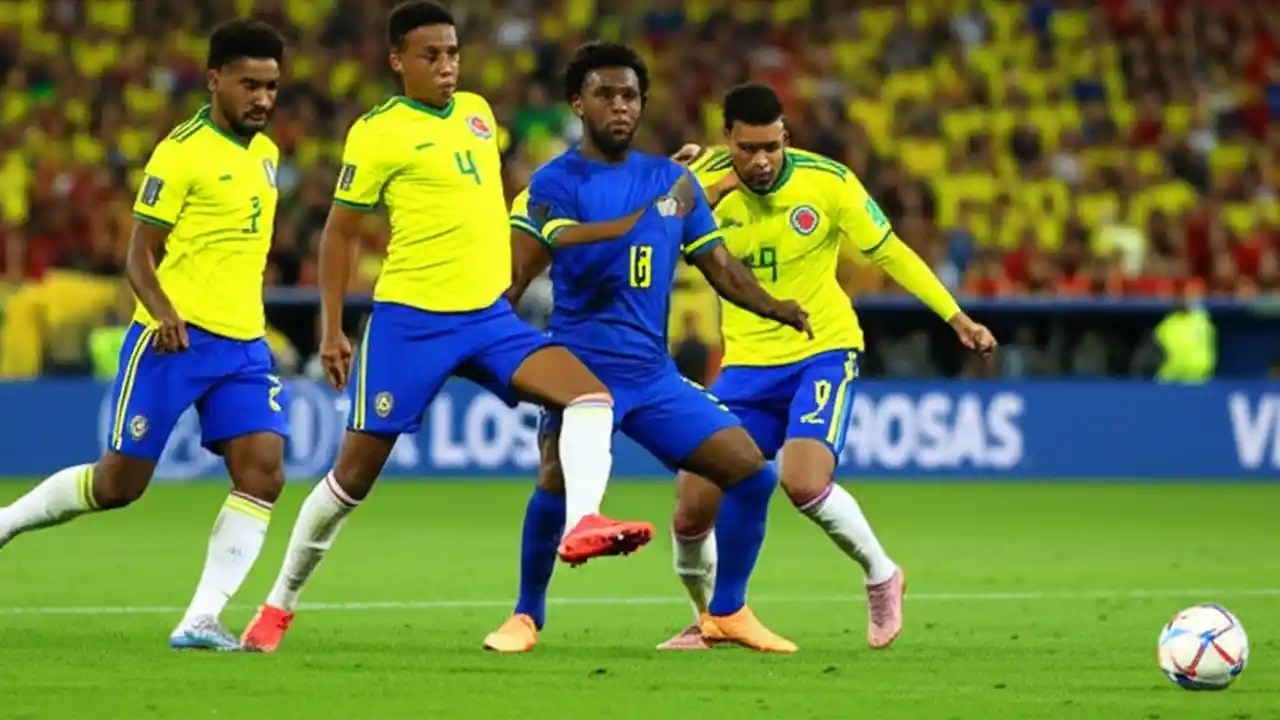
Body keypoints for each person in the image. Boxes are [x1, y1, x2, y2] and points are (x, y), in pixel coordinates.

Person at [239, 2, 647, 653]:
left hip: (489, 318)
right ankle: (277, 604)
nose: (447, 66)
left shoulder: (479, 115)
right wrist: (332, 328)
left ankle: (584, 521)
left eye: (453, 53)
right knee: (350, 481)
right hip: (411, 323)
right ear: (398, 60)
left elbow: (491, 203)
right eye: (431, 56)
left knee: (590, 396)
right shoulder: (378, 131)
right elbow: (339, 233)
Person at [482, 42, 811, 655]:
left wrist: (775, 306)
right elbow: (514, 279)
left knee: (750, 473)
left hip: (654, 377)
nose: (619, 106)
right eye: (605, 94)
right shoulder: (553, 184)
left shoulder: (673, 183)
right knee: (554, 481)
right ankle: (525, 616)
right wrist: (494, 352)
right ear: (577, 103)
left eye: (630, 95)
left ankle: (727, 612)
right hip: (581, 369)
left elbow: (718, 264)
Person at [658, 83, 998, 652]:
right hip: (746, 364)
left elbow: (890, 251)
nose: (762, 161)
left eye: (772, 147)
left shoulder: (829, 181)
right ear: (727, 139)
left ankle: (882, 574)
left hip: (822, 348)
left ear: (786, 138)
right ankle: (711, 618)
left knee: (803, 480)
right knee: (692, 508)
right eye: (748, 149)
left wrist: (955, 316)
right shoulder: (697, 181)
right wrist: (699, 191)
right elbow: (647, 236)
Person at [0, 20, 291, 650]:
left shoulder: (267, 155)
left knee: (264, 472)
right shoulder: (181, 152)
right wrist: (162, 311)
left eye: (271, 86)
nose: (263, 99)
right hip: (172, 344)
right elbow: (139, 252)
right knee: (117, 486)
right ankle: (6, 522)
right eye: (249, 85)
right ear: (214, 80)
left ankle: (200, 620)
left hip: (244, 345)